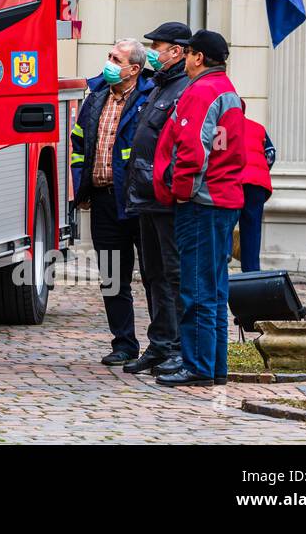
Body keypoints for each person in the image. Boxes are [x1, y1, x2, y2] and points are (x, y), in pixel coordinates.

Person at [152, 29, 246, 387]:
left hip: (201, 202)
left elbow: (191, 149)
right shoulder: (227, 90)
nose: (186, 58)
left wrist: (180, 192)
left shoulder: (202, 91)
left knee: (196, 287)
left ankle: (198, 365)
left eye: (189, 53)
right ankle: (213, 364)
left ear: (198, 57)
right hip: (221, 199)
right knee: (214, 287)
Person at [69, 38, 154, 366]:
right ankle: (123, 344)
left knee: (151, 277)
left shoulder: (149, 98)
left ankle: (159, 344)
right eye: (109, 56)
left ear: (134, 69)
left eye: (115, 59)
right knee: (113, 278)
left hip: (138, 202)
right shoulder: (97, 97)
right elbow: (79, 142)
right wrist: (82, 185)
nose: (109, 63)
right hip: (104, 200)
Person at [120, 21, 193, 377]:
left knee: (171, 274)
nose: (154, 52)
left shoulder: (184, 88)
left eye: (158, 47)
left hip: (165, 196)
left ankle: (178, 347)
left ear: (176, 51)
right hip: (146, 196)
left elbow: (182, 145)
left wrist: (165, 182)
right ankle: (160, 343)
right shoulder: (160, 86)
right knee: (152, 274)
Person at [239, 116, 276, 272]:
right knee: (252, 228)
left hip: (233, 181)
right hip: (256, 184)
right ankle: (251, 271)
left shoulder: (222, 127)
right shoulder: (258, 127)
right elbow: (271, 154)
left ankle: (224, 255)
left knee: (225, 223)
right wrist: (261, 170)